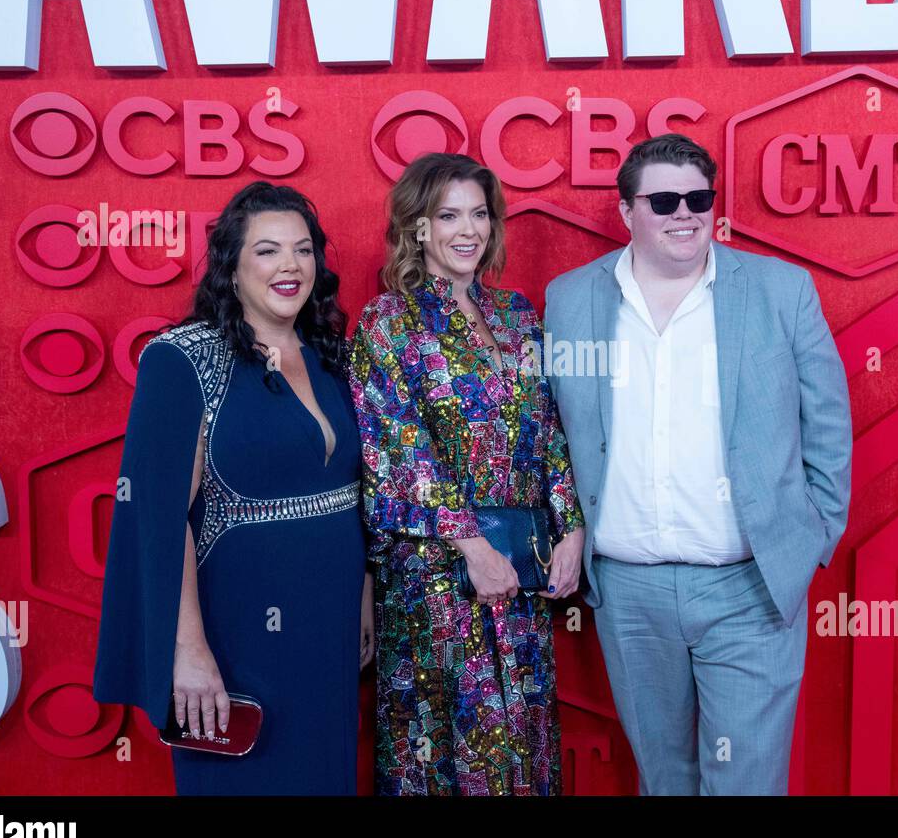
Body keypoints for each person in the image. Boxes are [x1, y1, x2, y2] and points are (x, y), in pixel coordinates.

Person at [543, 133, 852, 795]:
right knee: (665, 780)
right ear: (627, 212)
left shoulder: (779, 289)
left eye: (699, 198)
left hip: (749, 587)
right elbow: (551, 429)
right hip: (628, 592)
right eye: (664, 200)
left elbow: (827, 420)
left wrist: (812, 534)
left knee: (744, 782)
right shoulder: (571, 301)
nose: (685, 213)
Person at [92, 181, 371, 795]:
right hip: (237, 626)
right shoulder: (183, 358)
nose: (290, 266)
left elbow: (353, 495)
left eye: (303, 250)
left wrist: (364, 594)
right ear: (232, 264)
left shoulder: (329, 352)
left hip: (329, 620)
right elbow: (157, 522)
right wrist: (184, 650)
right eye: (268, 250)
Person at [350, 152, 584, 795]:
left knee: (523, 738)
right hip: (438, 578)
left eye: (480, 213)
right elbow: (397, 449)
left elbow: (549, 429)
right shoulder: (387, 321)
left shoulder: (516, 315)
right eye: (447, 214)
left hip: (522, 568)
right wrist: (472, 547)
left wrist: (570, 529)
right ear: (416, 226)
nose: (468, 229)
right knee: (451, 748)